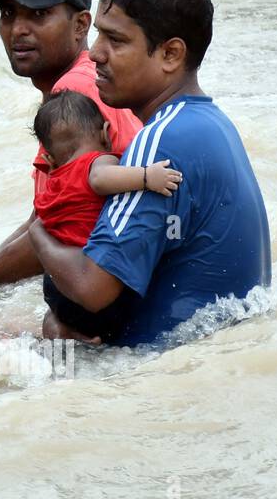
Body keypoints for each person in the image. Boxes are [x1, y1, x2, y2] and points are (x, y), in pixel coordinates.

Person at [28, 0, 271, 345]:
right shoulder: (212, 123)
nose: (94, 54)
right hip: (216, 354)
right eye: (97, 38)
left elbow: (91, 289)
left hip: (162, 369)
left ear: (171, 54)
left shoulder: (155, 145)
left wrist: (37, 232)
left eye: (116, 40)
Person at [0, 0, 144, 285]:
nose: (17, 30)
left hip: (103, 296)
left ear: (81, 25)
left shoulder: (73, 94)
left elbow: (52, 231)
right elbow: (44, 219)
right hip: (94, 271)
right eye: (9, 14)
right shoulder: (90, 81)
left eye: (39, 14)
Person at [30, 89, 182, 341]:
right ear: (105, 133)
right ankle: (95, 336)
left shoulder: (54, 182)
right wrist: (146, 177)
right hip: (91, 279)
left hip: (57, 286)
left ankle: (74, 333)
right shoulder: (97, 161)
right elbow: (100, 180)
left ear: (49, 159)